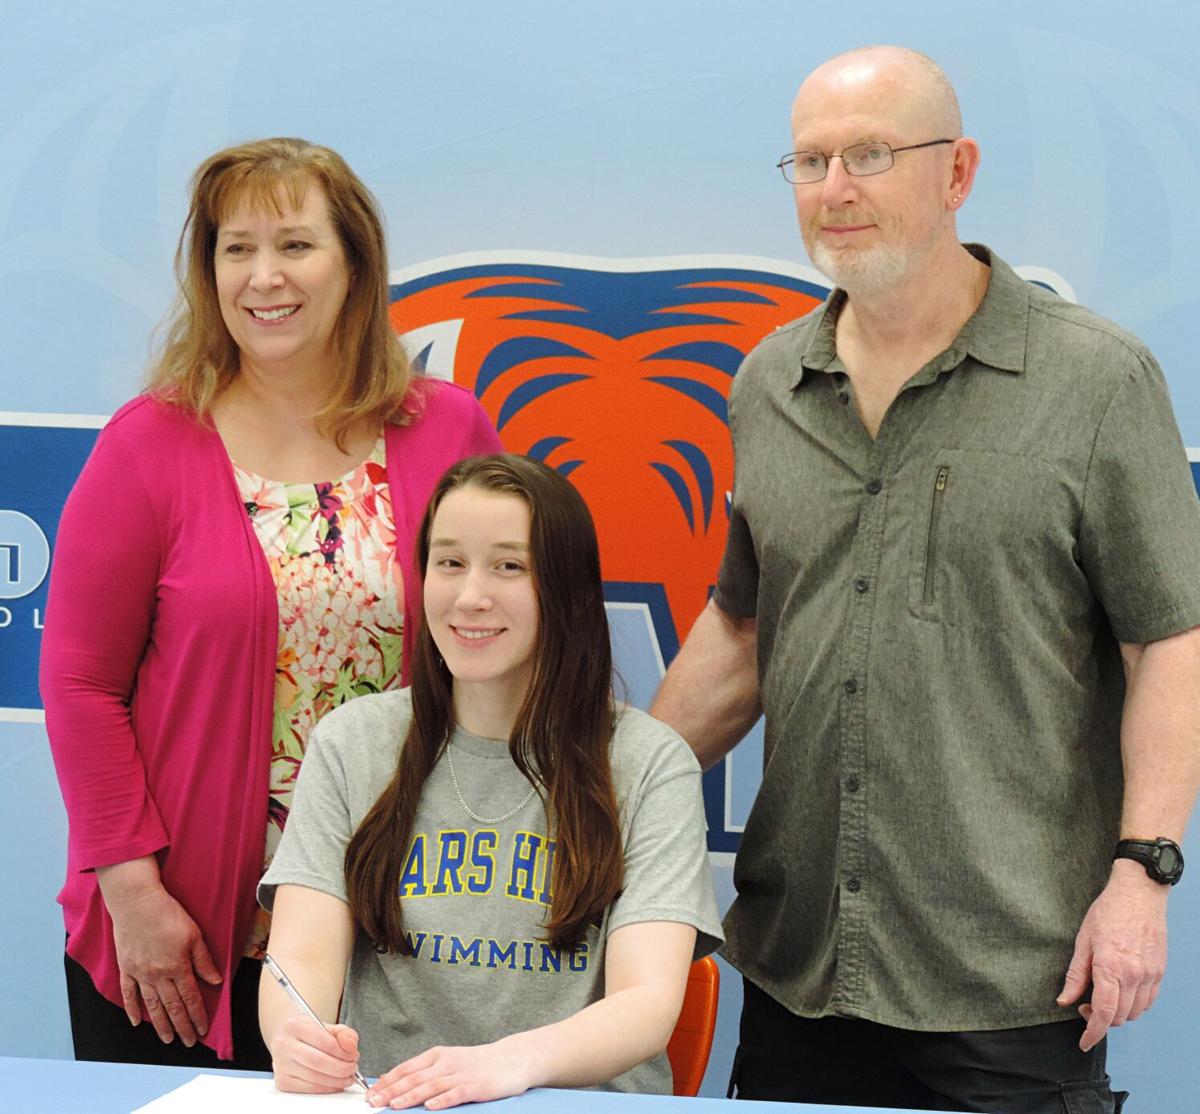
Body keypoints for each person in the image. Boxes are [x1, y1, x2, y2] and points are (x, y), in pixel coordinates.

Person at [650, 45, 1200, 1114]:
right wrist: (602, 791)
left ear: (958, 173)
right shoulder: (768, 384)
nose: (835, 191)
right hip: (799, 973)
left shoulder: (1095, 379)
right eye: (810, 164)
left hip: (1012, 982)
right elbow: (744, 629)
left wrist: (1143, 874)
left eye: (870, 155)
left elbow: (1168, 639)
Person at [39, 137, 503, 1070]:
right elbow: (82, 684)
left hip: (399, 927)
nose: (262, 277)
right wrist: (132, 891)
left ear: (354, 264)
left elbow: (504, 647)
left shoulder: (449, 428)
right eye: (234, 248)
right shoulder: (149, 445)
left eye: (294, 245)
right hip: (186, 934)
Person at [258, 453, 722, 1105]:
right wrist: (295, 1037)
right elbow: (299, 964)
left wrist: (511, 1063)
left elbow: (646, 1005)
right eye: (449, 562)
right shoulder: (352, 743)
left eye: (509, 566)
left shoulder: (650, 764)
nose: (471, 595)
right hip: (394, 1101)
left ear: (568, 591)